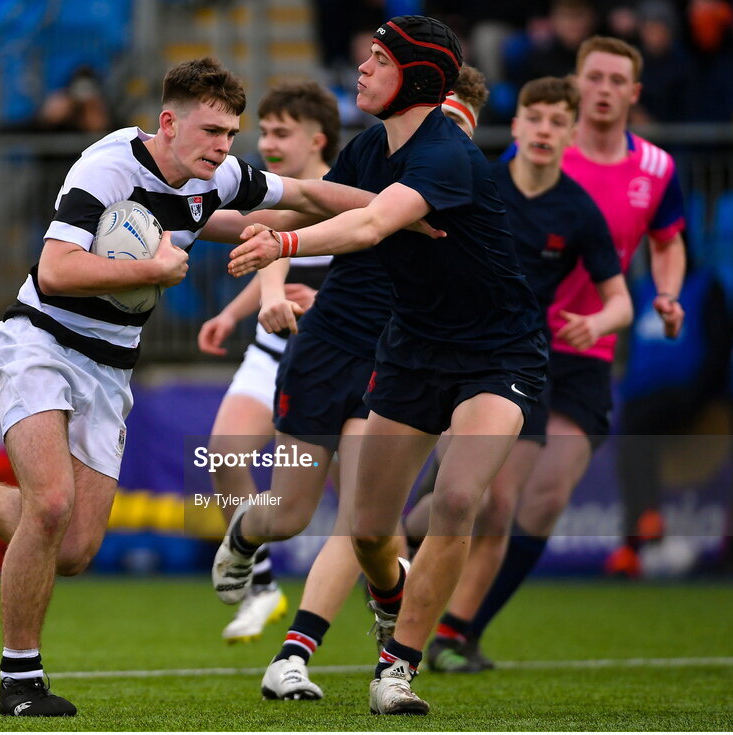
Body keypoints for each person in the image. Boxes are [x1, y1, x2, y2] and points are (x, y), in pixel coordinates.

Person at [0, 57, 373, 717]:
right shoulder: (105, 167)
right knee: (49, 506)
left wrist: (400, 210)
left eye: (231, 132)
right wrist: (153, 265)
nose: (225, 146)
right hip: (41, 342)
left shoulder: (216, 176)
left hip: (110, 366)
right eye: (211, 131)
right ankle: (19, 678)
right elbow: (54, 271)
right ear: (168, 122)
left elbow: (308, 196)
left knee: (76, 549)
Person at [213, 15, 549, 715]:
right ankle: (389, 601)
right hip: (409, 351)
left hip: (496, 352)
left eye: (377, 59)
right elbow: (312, 197)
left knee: (458, 497)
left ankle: (395, 667)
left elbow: (364, 226)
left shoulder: (444, 154)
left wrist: (281, 247)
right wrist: (180, 211)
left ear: (418, 76)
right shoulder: (371, 147)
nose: (361, 68)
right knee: (368, 531)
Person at [420, 35, 687, 669]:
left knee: (544, 499)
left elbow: (668, 241)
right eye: (592, 76)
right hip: (514, 347)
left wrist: (666, 296)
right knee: (495, 496)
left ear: (632, 93)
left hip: (586, 348)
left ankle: (461, 629)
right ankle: (416, 547)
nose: (602, 88)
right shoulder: (526, 158)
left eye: (615, 80)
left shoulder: (655, 169)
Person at [251, 65, 490, 702]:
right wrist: (191, 220)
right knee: (288, 514)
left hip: (401, 361)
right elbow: (295, 209)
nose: (446, 138)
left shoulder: (463, 182)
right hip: (327, 346)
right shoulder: (374, 157)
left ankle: (297, 653)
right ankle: (249, 535)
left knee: (363, 518)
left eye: (460, 125)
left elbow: (342, 222)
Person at [196, 80, 340, 644]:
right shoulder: (274, 197)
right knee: (224, 453)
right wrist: (235, 315)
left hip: (338, 358)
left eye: (283, 132)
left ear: (318, 139)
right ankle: (260, 587)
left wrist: (319, 304)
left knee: (362, 508)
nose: (269, 143)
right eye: (266, 131)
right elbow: (268, 252)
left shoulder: (347, 194)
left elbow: (373, 275)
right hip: (272, 351)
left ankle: (394, 599)